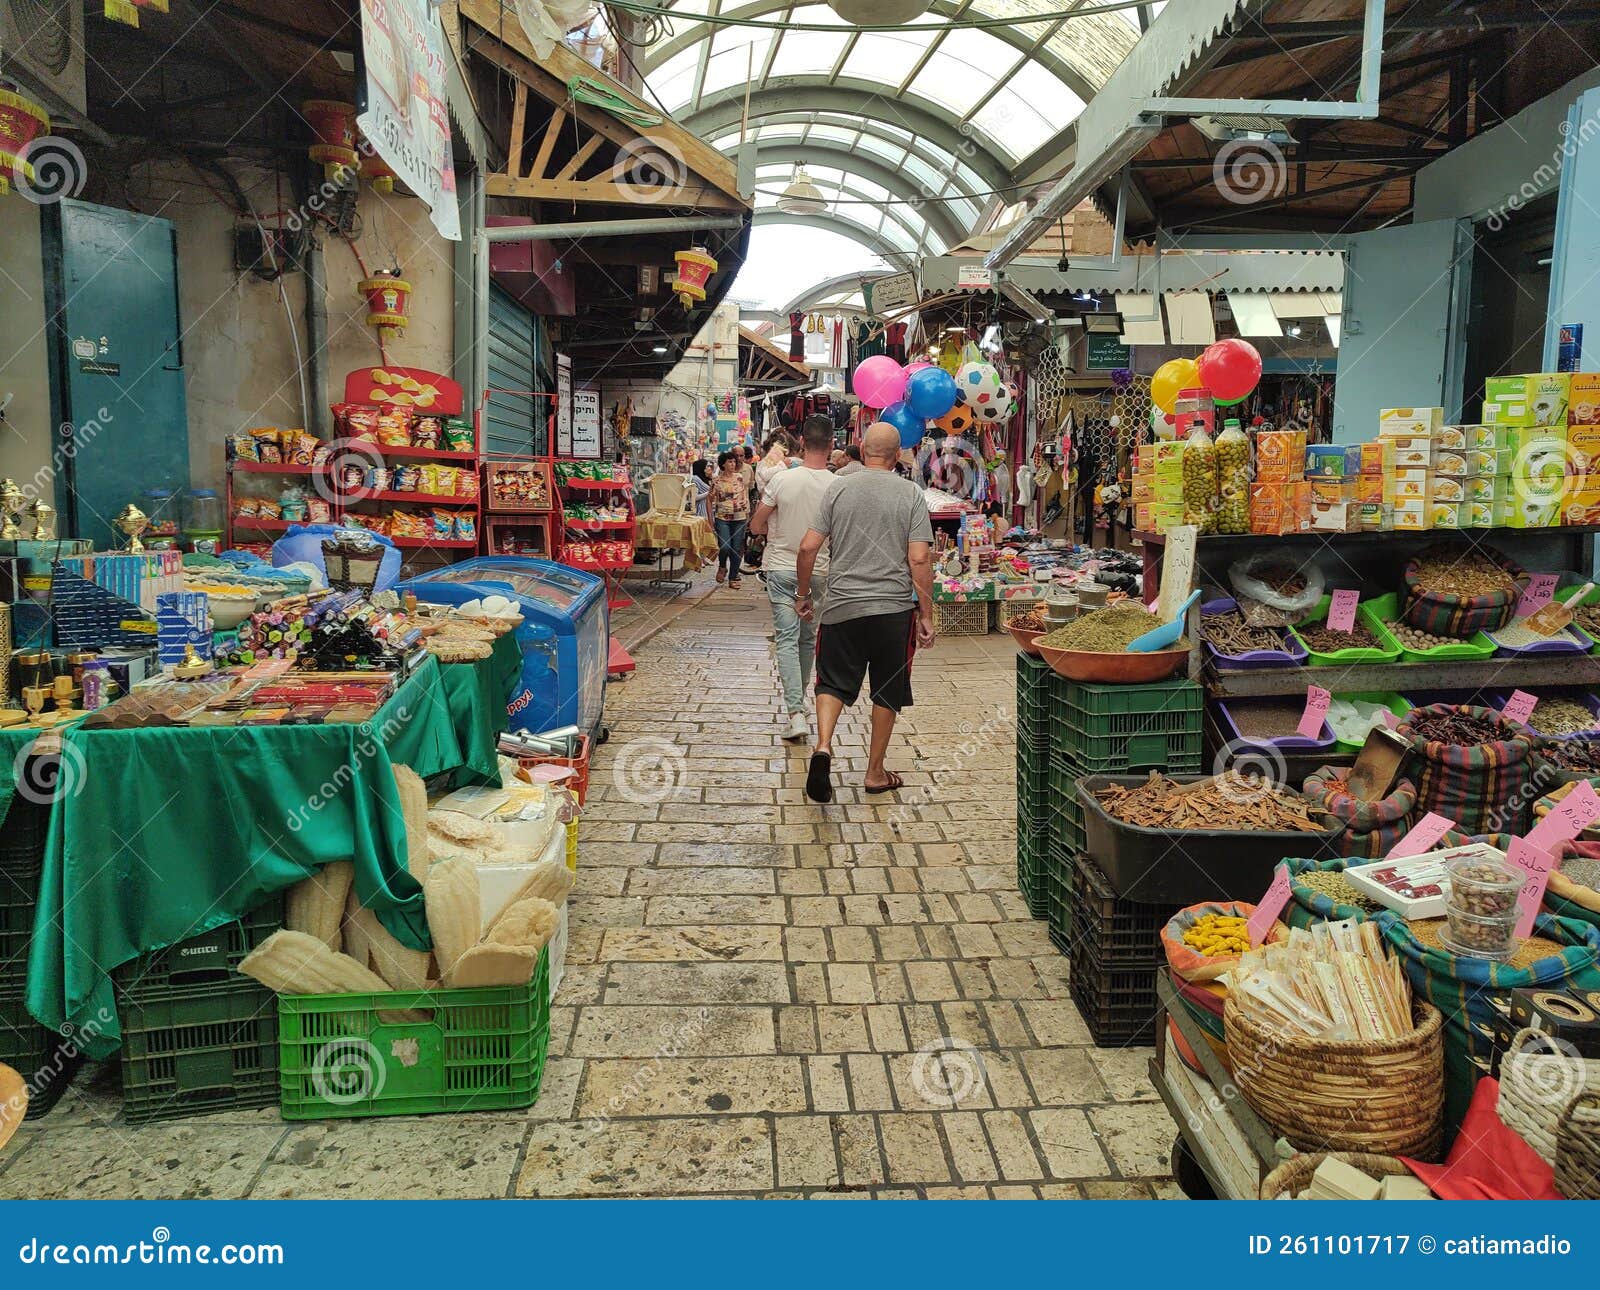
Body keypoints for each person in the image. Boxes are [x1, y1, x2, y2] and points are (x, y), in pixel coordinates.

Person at [795, 422, 935, 802]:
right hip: (893, 612)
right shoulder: (910, 493)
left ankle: (823, 747)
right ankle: (875, 772)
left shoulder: (838, 488)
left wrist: (803, 595)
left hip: (842, 607)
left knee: (831, 682)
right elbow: (919, 558)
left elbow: (808, 547)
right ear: (897, 455)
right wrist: (926, 614)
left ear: (861, 446)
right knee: (887, 690)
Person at [750, 415, 835, 741]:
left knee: (787, 639)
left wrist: (776, 526)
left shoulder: (781, 480)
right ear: (831, 445)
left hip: (782, 567)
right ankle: (799, 704)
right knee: (807, 639)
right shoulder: (837, 485)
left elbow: (756, 525)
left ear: (801, 443)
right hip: (819, 571)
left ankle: (796, 713)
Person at [710, 451, 750, 586]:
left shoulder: (739, 477)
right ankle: (722, 566)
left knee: (737, 548)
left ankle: (733, 577)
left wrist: (746, 508)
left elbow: (744, 494)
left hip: (739, 517)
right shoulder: (716, 480)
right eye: (730, 462)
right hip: (722, 518)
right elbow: (709, 499)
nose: (733, 464)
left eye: (734, 462)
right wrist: (710, 519)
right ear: (723, 464)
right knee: (725, 547)